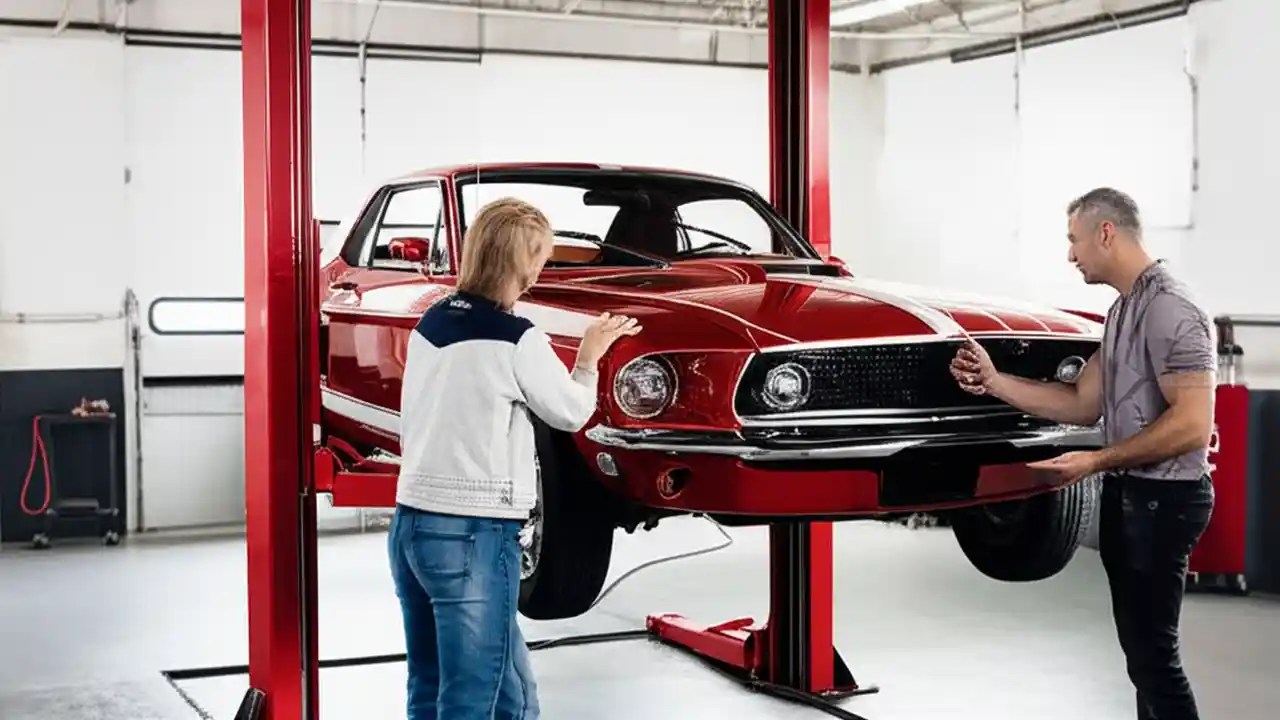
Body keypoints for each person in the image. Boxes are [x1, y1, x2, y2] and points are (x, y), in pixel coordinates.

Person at [950, 187, 1216, 720]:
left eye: (1074, 241)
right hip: (1132, 497)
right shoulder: (1124, 311)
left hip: (1163, 502)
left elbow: (1192, 424)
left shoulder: (1170, 308)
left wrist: (1095, 462)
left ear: (1106, 234)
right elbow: (1080, 401)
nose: (1071, 256)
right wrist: (994, 381)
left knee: (1154, 661)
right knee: (1143, 659)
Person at [387, 196, 641, 720]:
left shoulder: (431, 324)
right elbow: (570, 412)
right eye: (542, 258)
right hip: (472, 537)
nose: (542, 270)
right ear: (523, 264)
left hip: (411, 526)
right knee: (471, 701)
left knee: (485, 692)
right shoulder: (516, 339)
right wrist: (589, 355)